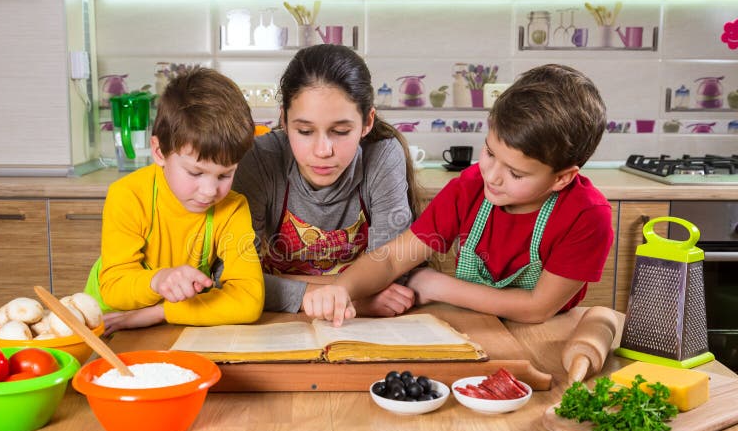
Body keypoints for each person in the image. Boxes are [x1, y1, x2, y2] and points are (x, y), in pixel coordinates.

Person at [302, 63, 614, 326]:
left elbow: (537, 307)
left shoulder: (587, 216)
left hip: (544, 335)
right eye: (490, 153)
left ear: (562, 178)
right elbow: (392, 260)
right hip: (474, 324)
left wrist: (435, 285)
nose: (491, 176)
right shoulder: (470, 188)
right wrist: (343, 288)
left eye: (516, 173)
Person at [232, 44, 421, 317]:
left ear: (367, 122)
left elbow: (392, 267)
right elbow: (231, 276)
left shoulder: (382, 155)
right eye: (305, 131)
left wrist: (285, 288)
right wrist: (344, 298)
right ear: (283, 120)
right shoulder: (261, 159)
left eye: (341, 131)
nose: (323, 151)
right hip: (280, 320)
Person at [85, 67, 264, 334]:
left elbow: (249, 300)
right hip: (109, 323)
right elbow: (114, 288)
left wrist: (159, 312)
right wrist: (159, 280)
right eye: (195, 172)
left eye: (225, 174)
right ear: (159, 151)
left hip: (168, 323)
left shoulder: (233, 207)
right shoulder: (128, 195)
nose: (209, 191)